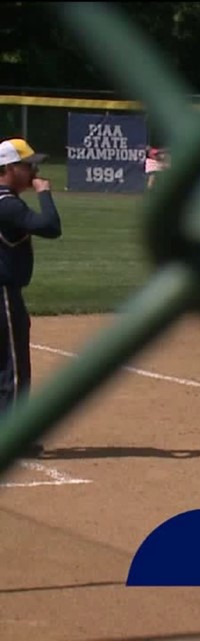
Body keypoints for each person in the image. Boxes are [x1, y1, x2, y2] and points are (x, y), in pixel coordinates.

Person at [0, 139, 63, 458]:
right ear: (9, 168)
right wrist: (44, 192)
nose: (34, 170)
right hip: (4, 294)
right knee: (14, 367)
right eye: (28, 166)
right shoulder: (7, 204)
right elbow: (51, 227)